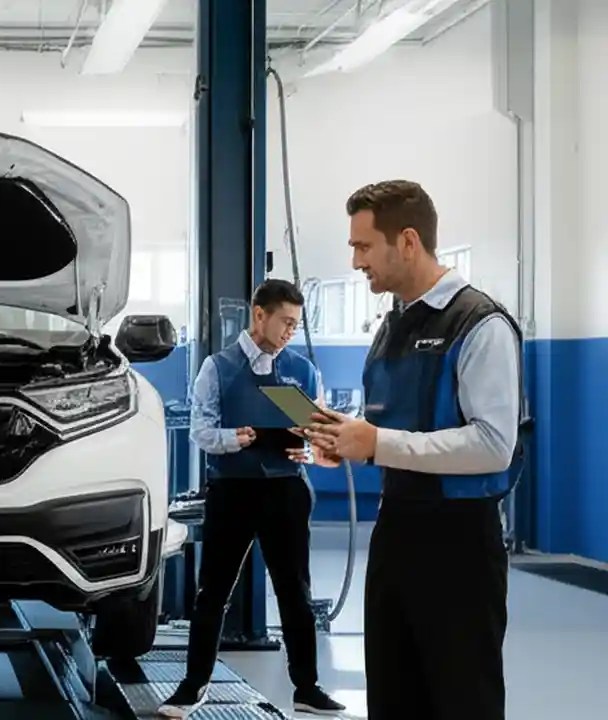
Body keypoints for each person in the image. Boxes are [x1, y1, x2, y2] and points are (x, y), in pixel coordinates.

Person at [302, 180, 522, 720]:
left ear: (406, 241)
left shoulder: (480, 324)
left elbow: (495, 445)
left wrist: (377, 443)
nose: (355, 261)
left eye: (363, 247)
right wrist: (347, 442)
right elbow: (391, 427)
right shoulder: (391, 326)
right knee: (394, 698)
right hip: (397, 530)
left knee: (460, 699)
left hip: (459, 543)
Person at [158, 279, 346, 719]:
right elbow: (201, 432)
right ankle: (193, 686)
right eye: (284, 322)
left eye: (296, 326)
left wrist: (312, 449)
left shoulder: (302, 370)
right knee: (213, 592)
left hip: (287, 489)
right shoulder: (217, 368)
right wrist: (235, 438)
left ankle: (307, 687)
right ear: (259, 314)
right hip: (233, 490)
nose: (289, 333)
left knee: (295, 591)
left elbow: (324, 437)